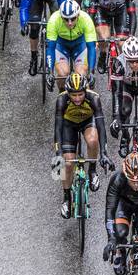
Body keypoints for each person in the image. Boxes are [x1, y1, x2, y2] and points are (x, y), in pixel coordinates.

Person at [53, 72, 109, 216]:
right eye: (73, 95)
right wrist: (58, 153)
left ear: (85, 91)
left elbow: (101, 126)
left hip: (87, 121)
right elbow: (57, 128)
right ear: (68, 93)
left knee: (92, 140)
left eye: (80, 94)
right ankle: (66, 197)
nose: (77, 98)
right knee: (68, 164)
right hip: (68, 124)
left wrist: (103, 153)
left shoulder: (94, 98)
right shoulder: (61, 100)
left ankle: (92, 170)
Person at [19, 0, 69, 76]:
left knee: (56, 17)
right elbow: (24, 7)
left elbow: (64, 5)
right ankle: (34, 57)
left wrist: (63, 22)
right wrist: (24, 23)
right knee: (34, 27)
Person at [44, 0, 99, 85]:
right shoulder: (54, 20)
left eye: (73, 19)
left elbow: (91, 47)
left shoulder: (86, 19)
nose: (69, 23)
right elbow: (50, 48)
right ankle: (62, 94)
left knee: (81, 76)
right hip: (61, 45)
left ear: (78, 15)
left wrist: (91, 72)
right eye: (66, 19)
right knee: (62, 74)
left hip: (80, 45)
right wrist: (49, 72)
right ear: (61, 17)